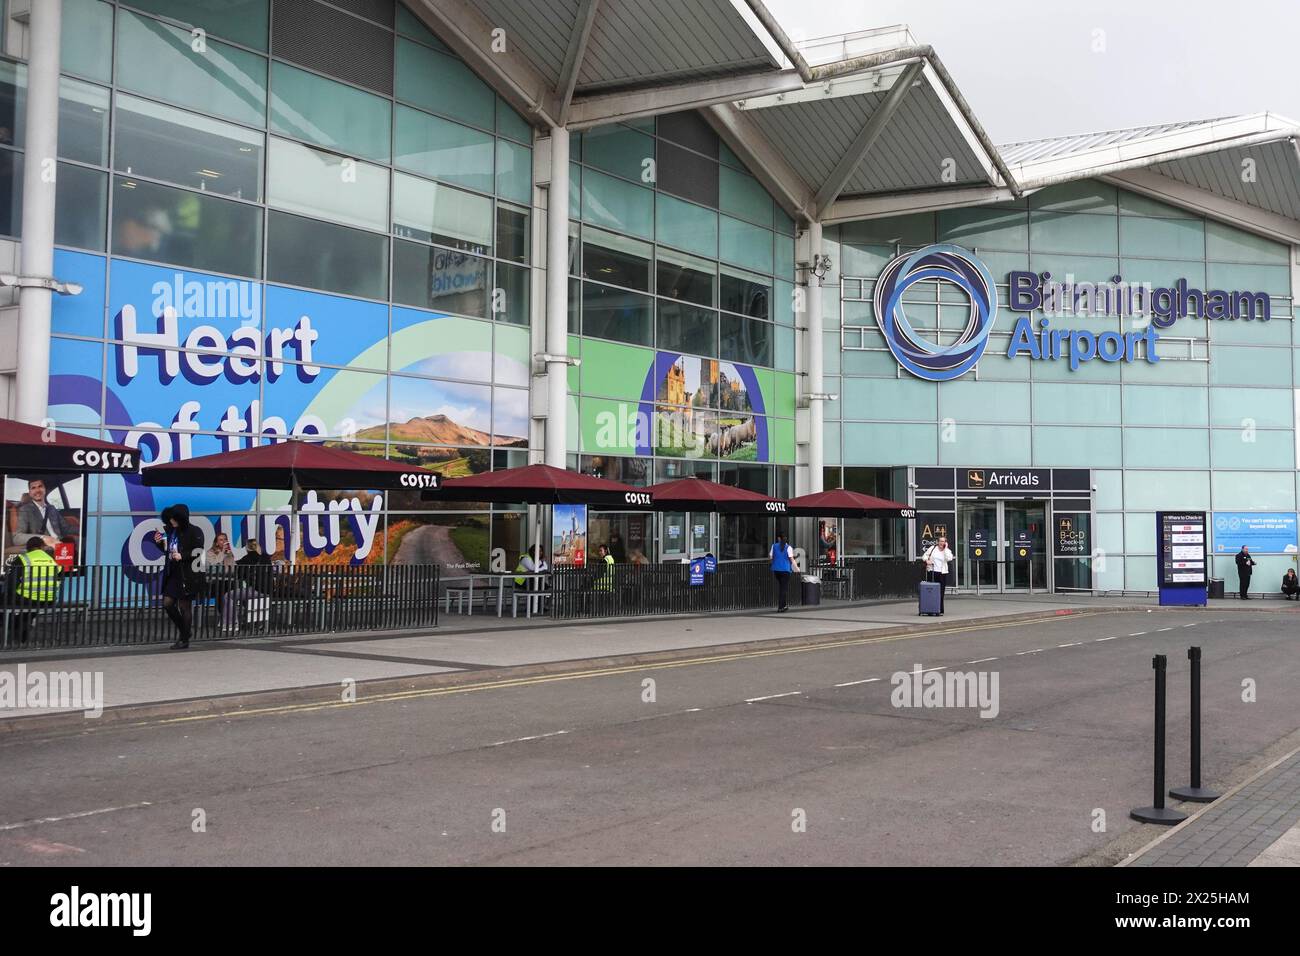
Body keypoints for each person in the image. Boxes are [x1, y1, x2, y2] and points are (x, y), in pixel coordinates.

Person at [153, 504, 204, 650]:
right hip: (173, 572)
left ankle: (184, 639)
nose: (171, 522)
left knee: (184, 606)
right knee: (167, 603)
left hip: (187, 574)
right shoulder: (170, 531)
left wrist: (183, 555)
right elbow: (166, 549)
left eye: (174, 519)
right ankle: (186, 632)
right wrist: (158, 542)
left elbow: (199, 550)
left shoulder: (194, 531)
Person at [3, 536, 61, 645]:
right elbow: (58, 578)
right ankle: (21, 635)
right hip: (49, 600)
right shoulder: (53, 560)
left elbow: (12, 583)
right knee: (26, 614)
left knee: (6, 601)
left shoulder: (24, 559)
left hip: (27, 599)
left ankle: (11, 634)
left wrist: (7, 594)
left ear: (28, 548)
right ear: (42, 547)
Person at [221, 538, 271, 632]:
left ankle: (231, 623)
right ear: (258, 547)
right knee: (244, 597)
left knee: (229, 596)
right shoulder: (266, 557)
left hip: (256, 590)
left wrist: (228, 557)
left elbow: (235, 573)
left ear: (247, 548)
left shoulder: (246, 559)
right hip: (268, 590)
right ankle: (256, 622)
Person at [15, 479, 70, 549]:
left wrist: (84, 529)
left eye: (40, 486)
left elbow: (67, 528)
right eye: (33, 488)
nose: (37, 490)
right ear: (30, 493)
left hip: (60, 543)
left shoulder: (51, 508)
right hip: (44, 547)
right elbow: (17, 537)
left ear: (45, 489)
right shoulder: (25, 510)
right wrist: (42, 537)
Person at [922, 536, 955, 616]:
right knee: (931, 591)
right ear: (938, 542)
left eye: (943, 541)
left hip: (942, 573)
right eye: (940, 541)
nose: (941, 543)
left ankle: (939, 610)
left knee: (940, 592)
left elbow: (949, 558)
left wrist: (946, 549)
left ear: (945, 543)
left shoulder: (947, 551)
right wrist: (927, 560)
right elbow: (924, 556)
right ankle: (930, 609)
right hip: (932, 572)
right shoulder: (932, 548)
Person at [770, 531, 794, 612]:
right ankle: (780, 607)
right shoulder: (789, 548)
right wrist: (796, 567)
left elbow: (770, 557)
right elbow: (791, 559)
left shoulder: (774, 546)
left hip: (776, 570)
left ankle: (783, 605)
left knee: (782, 587)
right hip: (785, 570)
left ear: (778, 538)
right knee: (783, 589)